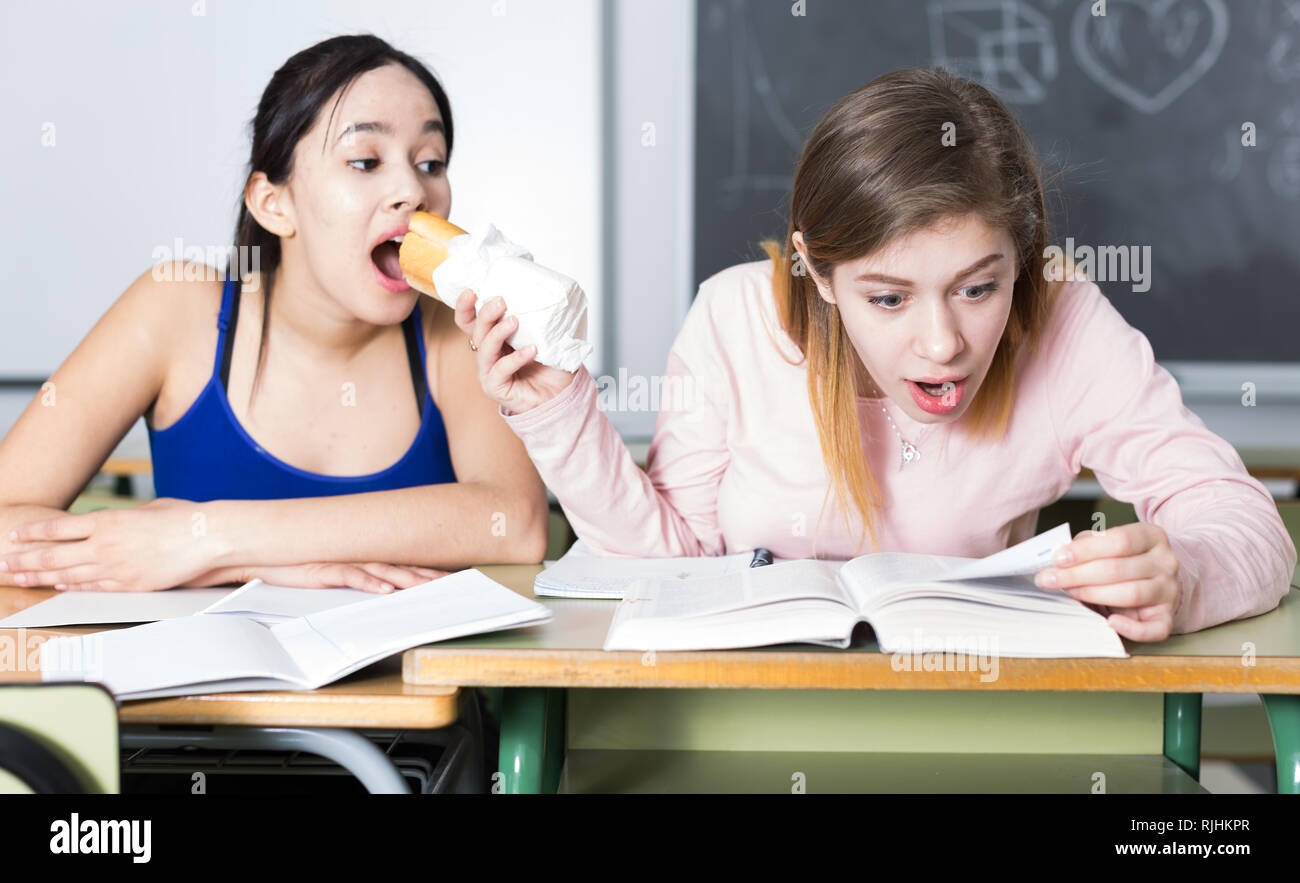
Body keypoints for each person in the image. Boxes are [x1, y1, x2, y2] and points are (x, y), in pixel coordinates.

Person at [454, 67, 1295, 641]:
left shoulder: (1063, 315)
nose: (942, 345)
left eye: (978, 287)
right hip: (740, 724)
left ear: (1022, 256)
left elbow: (1248, 524)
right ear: (817, 269)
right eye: (888, 298)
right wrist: (557, 409)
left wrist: (1184, 571)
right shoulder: (733, 317)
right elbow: (669, 563)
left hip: (982, 729)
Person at [0, 35, 549, 593]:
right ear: (273, 204)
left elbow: (516, 524)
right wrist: (275, 565)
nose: (413, 189)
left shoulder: (458, 328)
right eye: (365, 161)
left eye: (431, 163)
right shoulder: (175, 306)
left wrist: (212, 541)